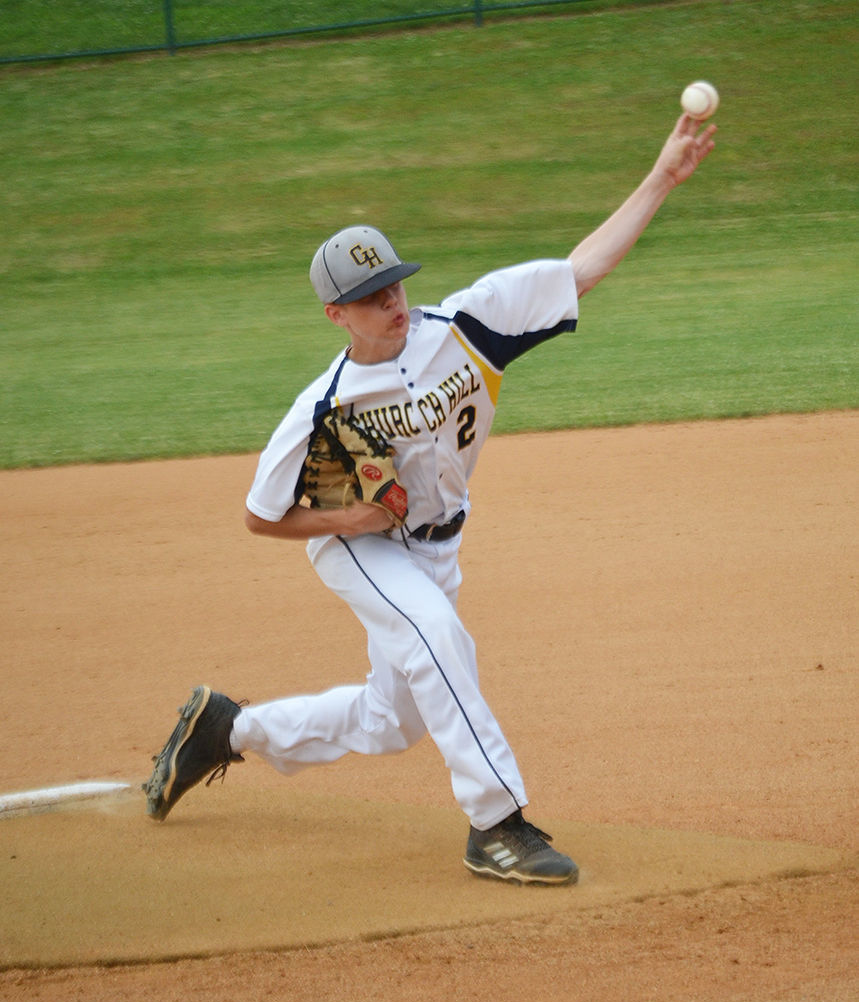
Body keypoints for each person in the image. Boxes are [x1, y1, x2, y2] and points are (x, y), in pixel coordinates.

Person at [143, 113, 717, 884]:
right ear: (335, 314)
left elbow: (578, 270)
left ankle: (227, 728)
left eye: (394, 282)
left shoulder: (467, 324)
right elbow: (259, 512)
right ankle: (496, 822)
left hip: (439, 544)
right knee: (437, 634)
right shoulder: (323, 404)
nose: (393, 301)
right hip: (361, 547)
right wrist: (351, 518)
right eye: (370, 295)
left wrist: (661, 178)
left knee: (390, 719)